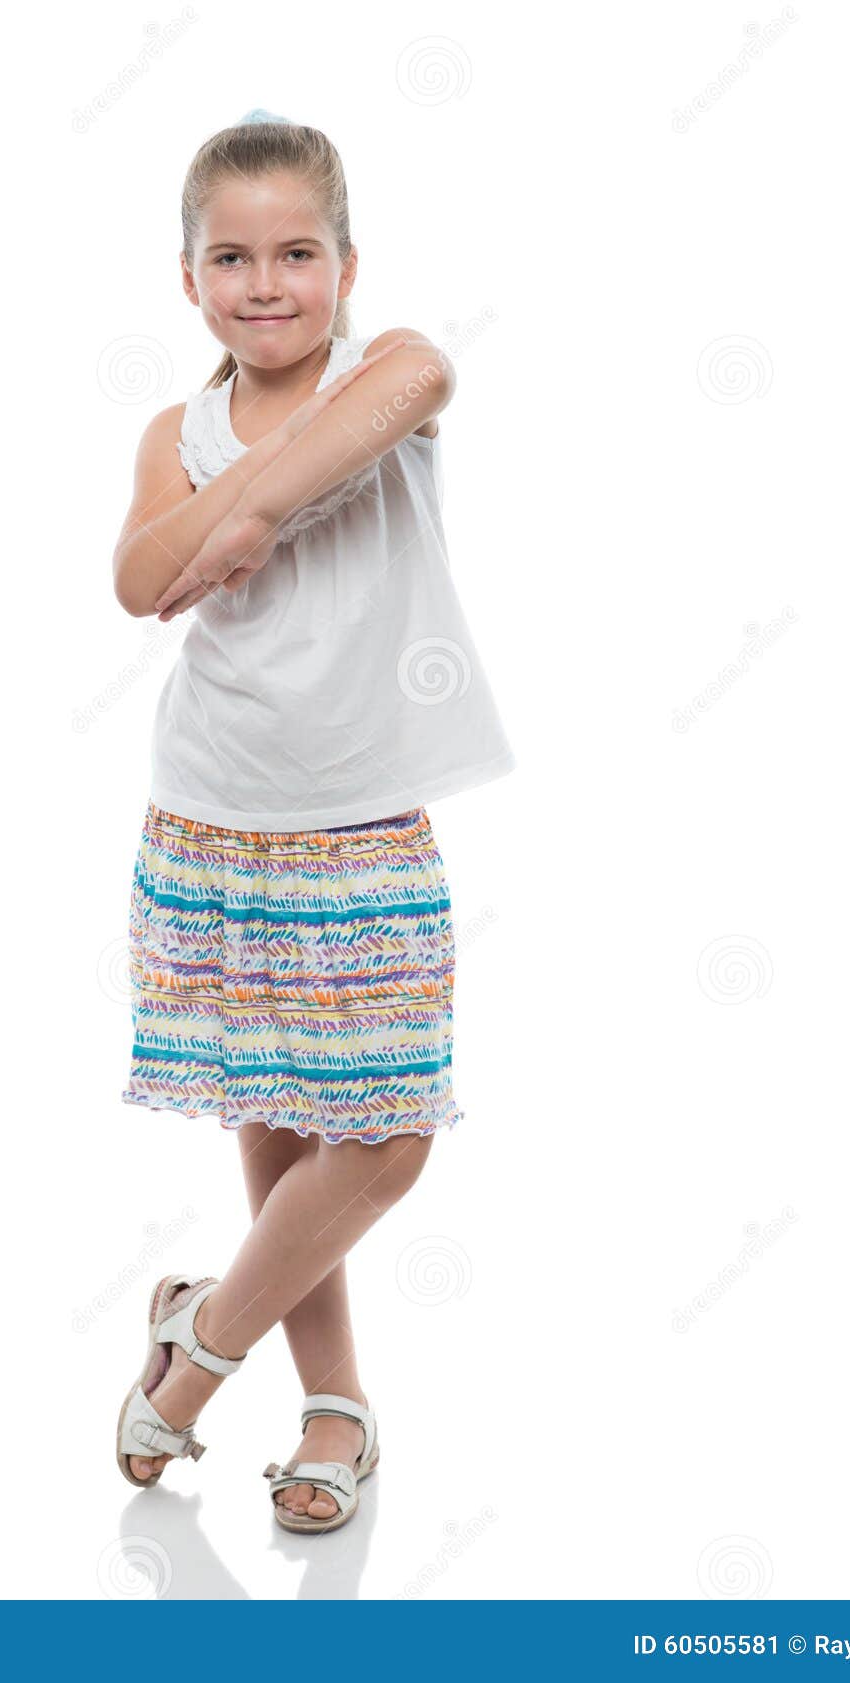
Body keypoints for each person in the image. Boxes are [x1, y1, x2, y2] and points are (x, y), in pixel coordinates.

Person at [111, 110, 517, 1534]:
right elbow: (140, 577)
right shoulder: (178, 428)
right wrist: (223, 510)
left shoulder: (387, 366)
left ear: (347, 265)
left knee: (386, 1130)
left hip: (363, 820)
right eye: (231, 257)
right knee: (287, 1121)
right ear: (188, 279)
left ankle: (195, 1351)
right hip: (217, 811)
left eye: (297, 253)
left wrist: (249, 516)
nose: (265, 283)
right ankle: (337, 1407)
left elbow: (416, 383)